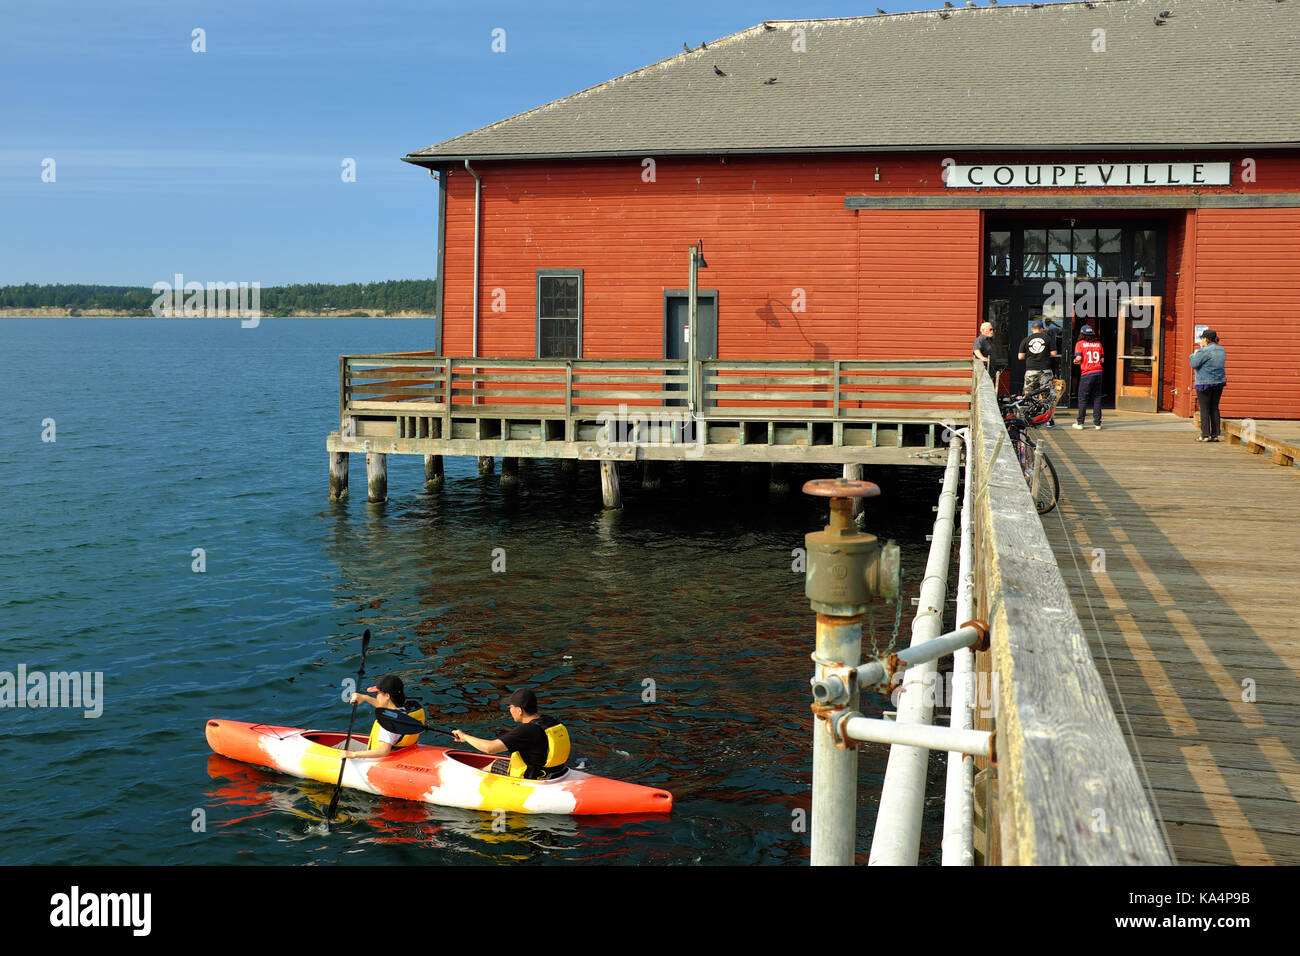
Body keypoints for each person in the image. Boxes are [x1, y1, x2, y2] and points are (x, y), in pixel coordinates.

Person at [452, 688, 570, 780]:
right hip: (557, 772)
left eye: (510, 707)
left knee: (484, 770)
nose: (509, 710)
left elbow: (490, 748)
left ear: (519, 711)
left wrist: (465, 736)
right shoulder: (550, 721)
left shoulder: (527, 730)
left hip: (534, 778)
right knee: (496, 764)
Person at [337, 674, 424, 758]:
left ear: (387, 696)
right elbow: (384, 707)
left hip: (377, 758)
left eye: (377, 693)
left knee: (342, 744)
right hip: (398, 751)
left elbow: (383, 751)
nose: (376, 696)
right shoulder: (404, 711)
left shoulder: (387, 723)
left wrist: (353, 754)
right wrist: (365, 698)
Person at [1018, 319, 1060, 427]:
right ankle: (1048, 420)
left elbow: (1020, 356)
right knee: (1047, 395)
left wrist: (1031, 356)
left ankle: (1029, 418)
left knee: (1029, 395)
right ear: (1042, 329)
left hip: (1031, 370)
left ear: (1032, 329)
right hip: (1045, 370)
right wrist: (1044, 355)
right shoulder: (1048, 339)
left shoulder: (1026, 340)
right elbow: (1054, 354)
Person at [1190, 329, 1227, 442]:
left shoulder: (1203, 351)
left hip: (1204, 383)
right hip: (1219, 382)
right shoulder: (1222, 350)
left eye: (1202, 338)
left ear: (1205, 339)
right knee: (1214, 407)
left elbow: (1194, 364)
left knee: (1205, 409)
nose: (1201, 340)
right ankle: (1215, 435)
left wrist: (1194, 354)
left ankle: (1205, 435)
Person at [1072, 325, 1104, 430]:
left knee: (1083, 399)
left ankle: (1080, 423)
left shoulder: (1080, 344)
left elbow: (1078, 358)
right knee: (1097, 398)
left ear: (1082, 334)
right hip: (1098, 372)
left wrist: (1075, 361)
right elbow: (1102, 360)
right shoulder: (1098, 344)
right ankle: (1097, 424)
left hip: (1087, 373)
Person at [973, 321, 996, 385]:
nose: (992, 331)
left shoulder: (990, 340)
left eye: (993, 329)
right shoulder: (980, 339)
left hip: (990, 369)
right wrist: (982, 358)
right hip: (983, 369)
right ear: (983, 330)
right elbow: (976, 349)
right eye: (990, 329)